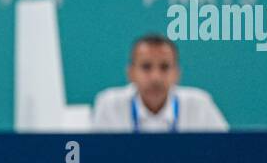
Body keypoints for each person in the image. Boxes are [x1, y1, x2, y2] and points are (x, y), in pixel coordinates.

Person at [91, 34, 228, 132]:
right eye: (146, 67)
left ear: (177, 73)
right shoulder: (109, 105)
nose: (155, 77)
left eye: (164, 67)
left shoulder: (200, 104)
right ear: (130, 73)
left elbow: (226, 153)